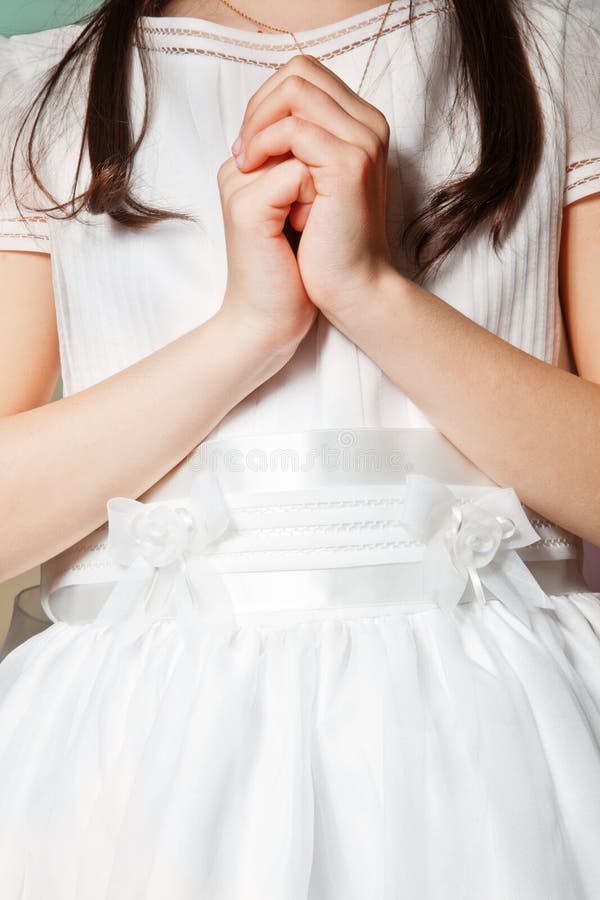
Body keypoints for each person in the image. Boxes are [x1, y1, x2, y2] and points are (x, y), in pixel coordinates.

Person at [0, 0, 599, 895]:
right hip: (137, 766)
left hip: (501, 735)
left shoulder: (562, 51)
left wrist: (370, 294)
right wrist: (246, 333)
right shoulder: (43, 94)